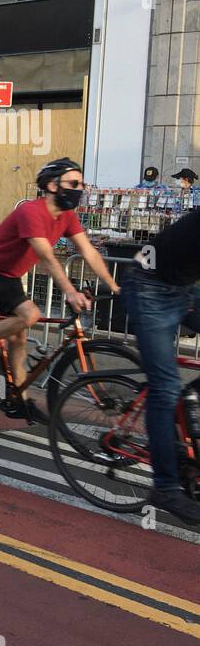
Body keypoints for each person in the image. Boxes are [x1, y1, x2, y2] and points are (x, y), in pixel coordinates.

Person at [0, 158, 120, 418]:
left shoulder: (67, 216)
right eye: (74, 183)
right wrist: (70, 292)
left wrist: (116, 287)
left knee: (19, 339)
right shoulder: (31, 212)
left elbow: (89, 252)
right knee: (30, 315)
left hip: (10, 275)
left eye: (81, 184)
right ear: (52, 186)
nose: (80, 189)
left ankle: (20, 399)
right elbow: (46, 257)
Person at [118, 209, 200, 524]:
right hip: (147, 287)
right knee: (164, 389)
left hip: (181, 289)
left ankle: (187, 401)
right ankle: (165, 487)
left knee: (174, 391)